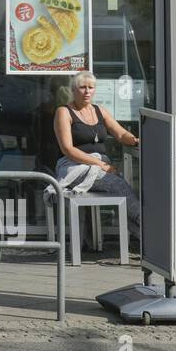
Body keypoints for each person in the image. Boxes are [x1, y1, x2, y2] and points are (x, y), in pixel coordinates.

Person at [53, 71, 141, 242]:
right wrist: (99, 164)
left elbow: (121, 134)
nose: (87, 91)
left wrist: (135, 140)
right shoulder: (63, 112)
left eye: (90, 88)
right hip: (74, 167)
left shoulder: (100, 110)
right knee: (119, 184)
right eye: (82, 87)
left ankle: (145, 235)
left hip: (97, 167)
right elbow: (68, 149)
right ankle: (154, 229)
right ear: (73, 89)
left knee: (118, 189)